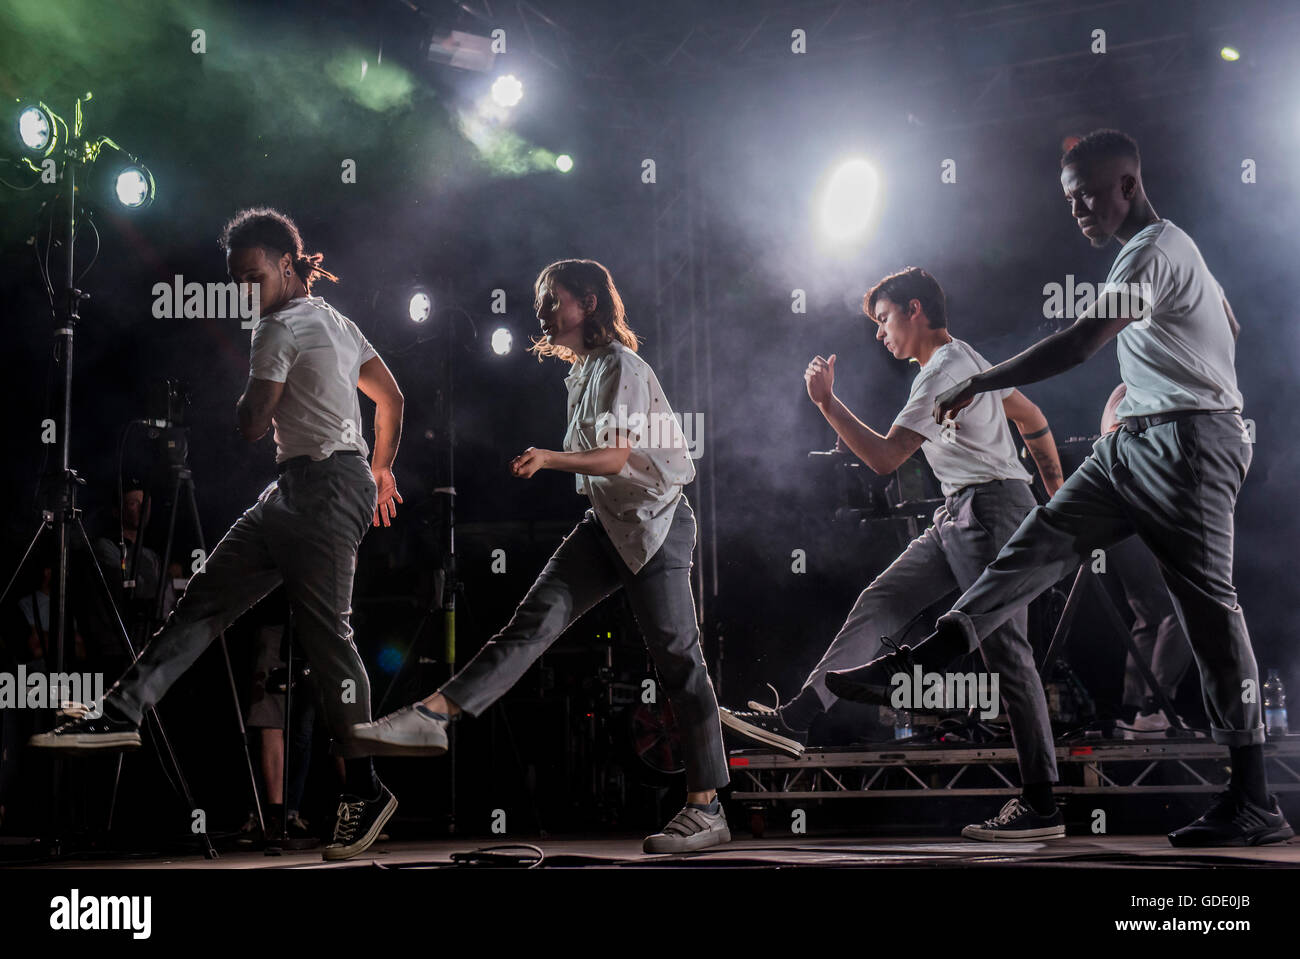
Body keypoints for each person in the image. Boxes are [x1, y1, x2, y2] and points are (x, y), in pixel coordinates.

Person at [831, 130, 1292, 847]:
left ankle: (1254, 797)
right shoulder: (1165, 258)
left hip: (1192, 444)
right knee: (1033, 543)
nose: (1077, 209)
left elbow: (1080, 342)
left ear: (1128, 187)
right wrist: (1159, 376)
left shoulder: (1153, 250)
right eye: (1068, 198)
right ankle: (931, 654)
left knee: (1207, 609)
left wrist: (983, 379)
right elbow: (1219, 322)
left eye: (1088, 195)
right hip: (1133, 443)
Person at [30, 207, 406, 862]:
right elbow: (392, 397)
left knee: (329, 638)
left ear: (287, 266)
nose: (245, 290)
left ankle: (367, 787)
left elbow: (253, 424)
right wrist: (382, 467)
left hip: (323, 490)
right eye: (236, 280)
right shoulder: (340, 322)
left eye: (253, 276)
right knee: (204, 600)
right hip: (294, 491)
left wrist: (259, 404)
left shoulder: (279, 326)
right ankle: (122, 713)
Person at [348, 259, 732, 853]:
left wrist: (549, 458)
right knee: (530, 625)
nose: (543, 310)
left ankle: (706, 809)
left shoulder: (622, 367)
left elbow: (613, 458)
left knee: (680, 661)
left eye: (554, 300)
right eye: (541, 301)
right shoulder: (580, 375)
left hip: (657, 524)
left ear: (590, 303)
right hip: (606, 524)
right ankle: (434, 715)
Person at [720, 268, 1067, 836]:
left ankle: (1042, 805)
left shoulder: (943, 372)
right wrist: (1053, 496)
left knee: (1007, 653)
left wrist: (827, 403)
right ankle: (801, 717)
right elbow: (1032, 420)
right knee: (881, 600)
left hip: (990, 510)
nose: (880, 333)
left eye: (883, 320)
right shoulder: (966, 360)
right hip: (959, 511)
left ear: (914, 309)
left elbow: (885, 459)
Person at [1097, 384, 1197, 739]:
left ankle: (1136, 713)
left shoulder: (1124, 391)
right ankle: (1156, 708)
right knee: (1181, 607)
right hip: (1142, 511)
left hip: (1120, 514)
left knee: (1150, 614)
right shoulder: (1142, 388)